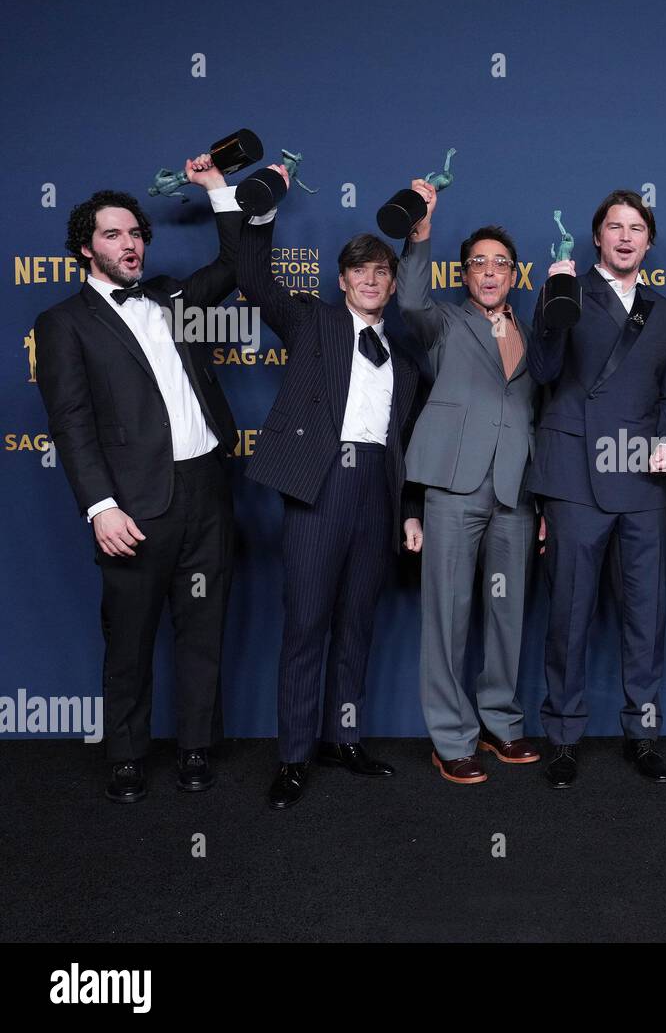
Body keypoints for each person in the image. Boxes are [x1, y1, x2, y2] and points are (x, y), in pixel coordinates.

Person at [35, 159, 241, 802]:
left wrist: (218, 191)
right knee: (128, 635)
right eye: (113, 235)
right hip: (133, 503)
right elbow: (71, 423)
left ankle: (197, 747)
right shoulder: (63, 323)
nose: (130, 244)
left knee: (203, 628)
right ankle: (126, 753)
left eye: (136, 234)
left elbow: (234, 266)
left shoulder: (171, 297)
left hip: (206, 487)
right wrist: (100, 506)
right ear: (85, 247)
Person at [238, 165, 424, 810]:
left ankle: (345, 740)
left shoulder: (402, 356)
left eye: (382, 272)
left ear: (392, 283)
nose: (371, 281)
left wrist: (407, 509)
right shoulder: (312, 324)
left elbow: (405, 444)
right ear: (341, 279)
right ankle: (293, 756)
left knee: (357, 624)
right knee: (307, 624)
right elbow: (255, 281)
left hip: (376, 489)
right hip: (319, 487)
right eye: (359, 272)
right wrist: (258, 209)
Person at [527, 190, 666, 788]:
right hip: (573, 476)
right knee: (568, 615)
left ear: (648, 241)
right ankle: (563, 737)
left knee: (646, 616)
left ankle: (642, 734)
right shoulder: (566, 291)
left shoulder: (665, 312)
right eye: (614, 227)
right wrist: (550, 304)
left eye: (636, 227)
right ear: (597, 238)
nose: (625, 236)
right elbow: (542, 372)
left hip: (642, 479)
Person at [396, 179, 541, 785]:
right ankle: (451, 737)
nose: (488, 272)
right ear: (464, 274)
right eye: (477, 263)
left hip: (515, 493)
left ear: (514, 275)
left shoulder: (537, 332)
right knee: (449, 618)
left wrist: (544, 505)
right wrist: (421, 230)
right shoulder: (441, 325)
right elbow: (405, 300)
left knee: (507, 616)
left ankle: (500, 724)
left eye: (499, 264)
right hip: (453, 489)